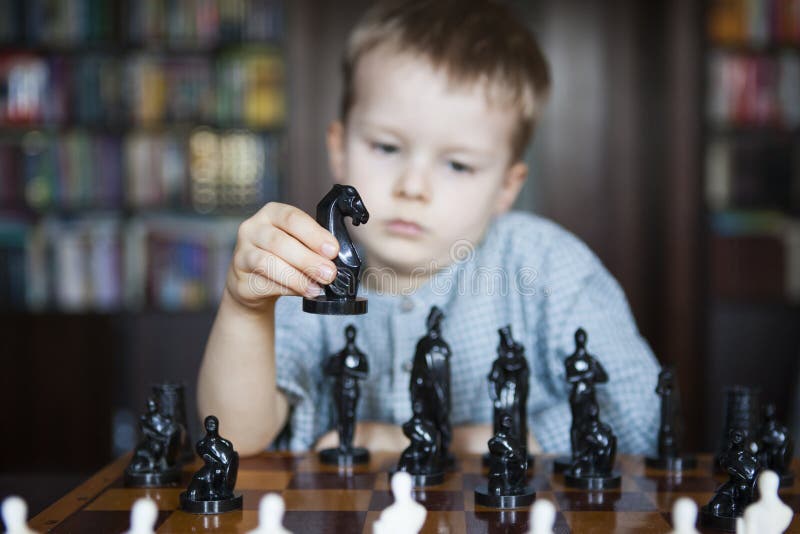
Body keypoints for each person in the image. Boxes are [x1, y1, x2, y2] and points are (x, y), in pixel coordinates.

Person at [197, 0, 660, 456]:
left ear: (507, 186)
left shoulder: (551, 266)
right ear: (338, 149)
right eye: (386, 147)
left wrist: (465, 443)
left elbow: (641, 412)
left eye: (458, 165)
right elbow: (236, 438)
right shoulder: (303, 270)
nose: (413, 186)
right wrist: (245, 309)